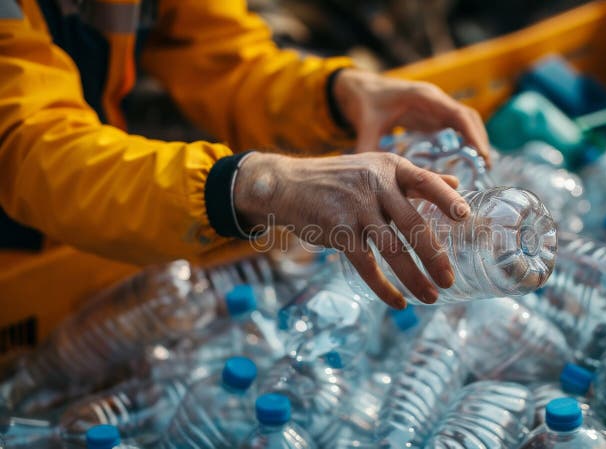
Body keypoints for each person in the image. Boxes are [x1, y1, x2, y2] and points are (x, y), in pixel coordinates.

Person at [0, 0, 489, 309]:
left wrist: (335, 93)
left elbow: (223, 60)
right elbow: (26, 144)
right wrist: (262, 183)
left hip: (96, 220)